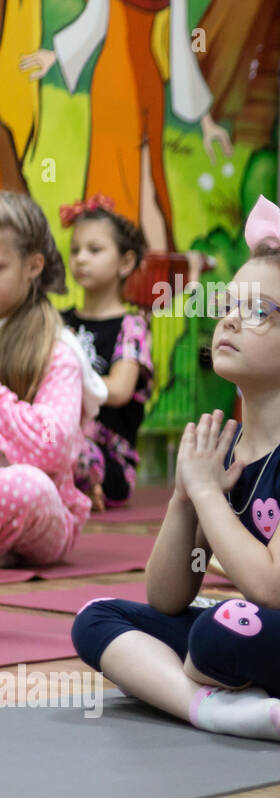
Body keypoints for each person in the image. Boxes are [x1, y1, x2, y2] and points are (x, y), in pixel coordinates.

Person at [71, 196, 280, 743]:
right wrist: (186, 497)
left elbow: (271, 588)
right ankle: (207, 706)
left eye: (256, 311)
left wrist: (207, 494)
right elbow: (166, 597)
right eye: (228, 305)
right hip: (266, 631)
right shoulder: (224, 449)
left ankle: (209, 690)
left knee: (221, 628)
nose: (229, 318)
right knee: (97, 616)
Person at [0, 191, 93, 567]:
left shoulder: (57, 349)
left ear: (33, 265)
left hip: (37, 505)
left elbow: (53, 445)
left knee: (30, 488)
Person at [59, 194, 153, 510]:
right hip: (62, 440)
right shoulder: (59, 322)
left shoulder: (133, 325)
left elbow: (119, 390)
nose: (81, 258)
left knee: (66, 448)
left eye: (94, 250)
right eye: (75, 250)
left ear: (125, 262)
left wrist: (66, 379)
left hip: (109, 460)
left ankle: (79, 488)